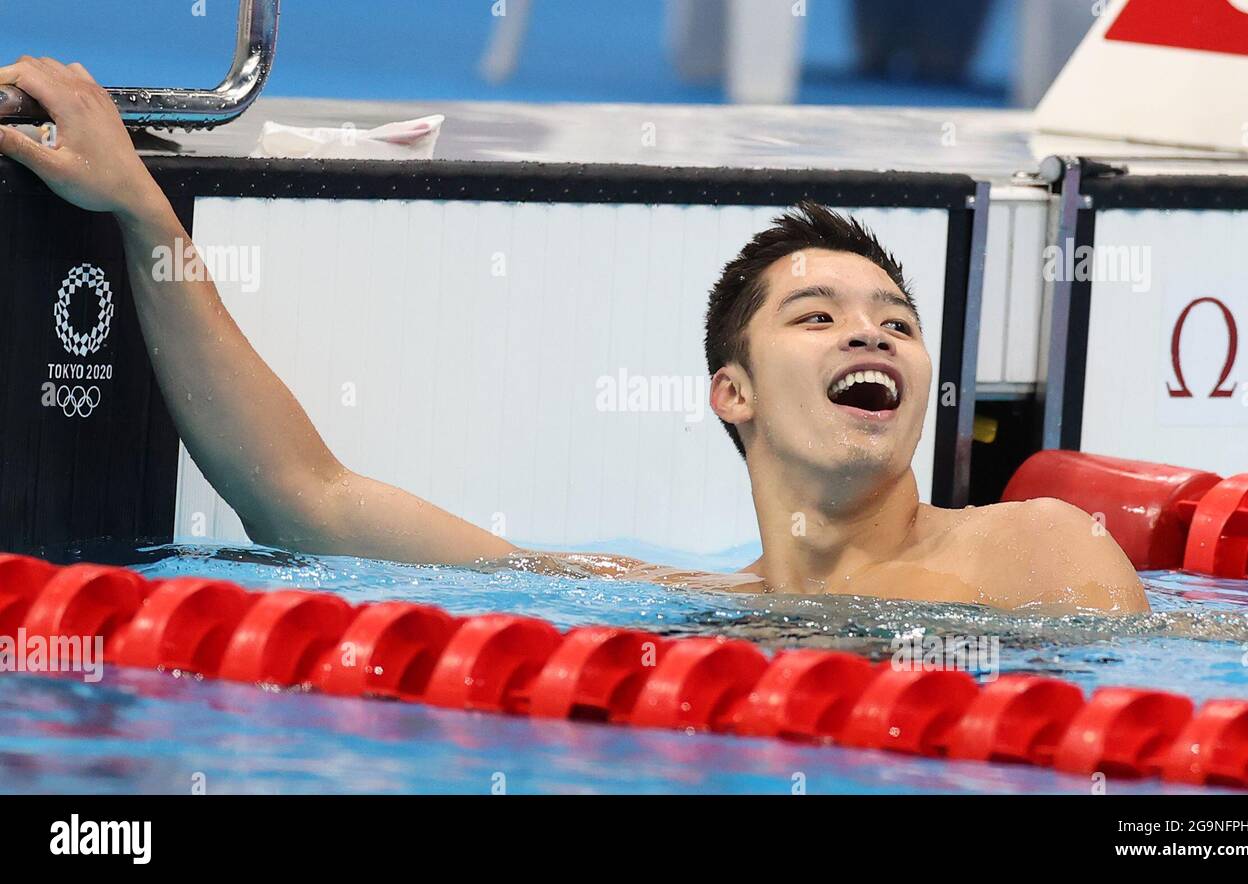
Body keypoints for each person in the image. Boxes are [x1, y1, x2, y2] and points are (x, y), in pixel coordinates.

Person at [0, 56, 1149, 614]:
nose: (875, 334)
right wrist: (143, 210)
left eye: (896, 321)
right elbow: (301, 495)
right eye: (820, 315)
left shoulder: (1036, 551)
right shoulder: (662, 605)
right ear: (730, 394)